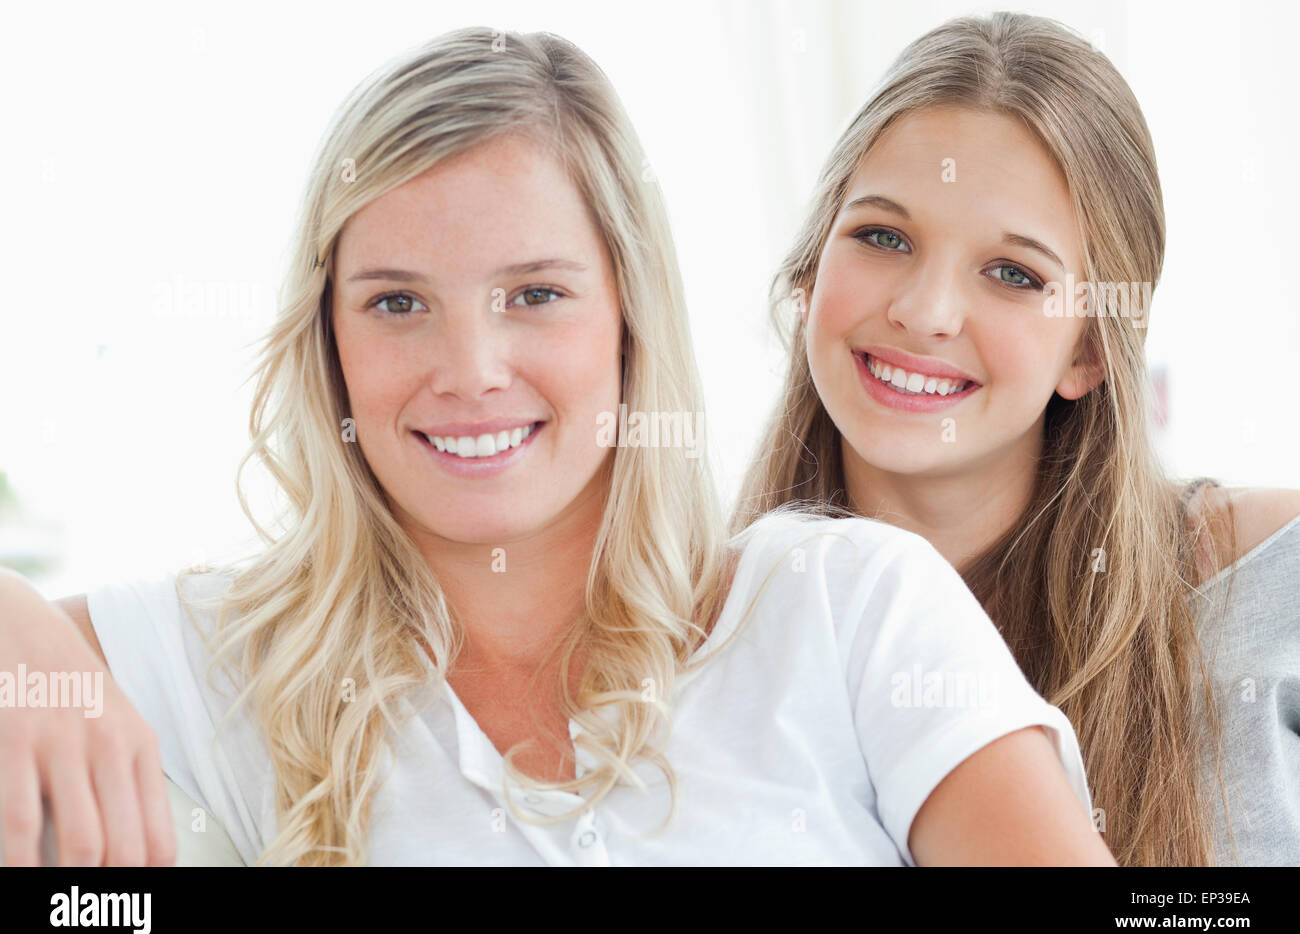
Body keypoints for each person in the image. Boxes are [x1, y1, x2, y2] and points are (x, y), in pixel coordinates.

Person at [0, 26, 1112, 867]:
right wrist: (14, 616)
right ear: (327, 337)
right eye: (396, 303)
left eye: (534, 292)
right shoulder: (243, 662)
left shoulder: (850, 606)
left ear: (628, 318)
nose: (471, 367)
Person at [732, 11, 1300, 866]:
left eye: (1013, 274)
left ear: (1089, 349)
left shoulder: (1272, 585)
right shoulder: (695, 634)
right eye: (883, 236)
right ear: (811, 273)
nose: (923, 311)